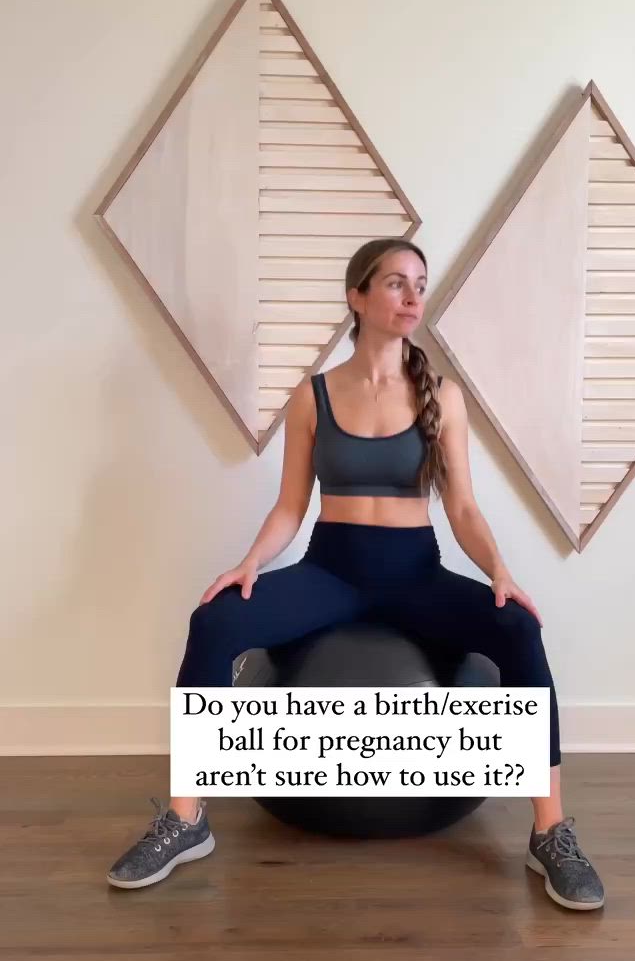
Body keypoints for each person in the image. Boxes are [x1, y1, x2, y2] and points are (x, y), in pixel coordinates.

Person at [107, 238, 605, 911]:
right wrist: (251, 561)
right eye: (396, 283)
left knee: (518, 628)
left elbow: (462, 507)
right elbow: (291, 506)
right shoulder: (314, 396)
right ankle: (186, 820)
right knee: (215, 620)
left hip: (416, 576)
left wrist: (498, 570)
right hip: (330, 572)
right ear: (357, 297)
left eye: (419, 285)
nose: (411, 297)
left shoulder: (443, 397)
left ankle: (550, 833)